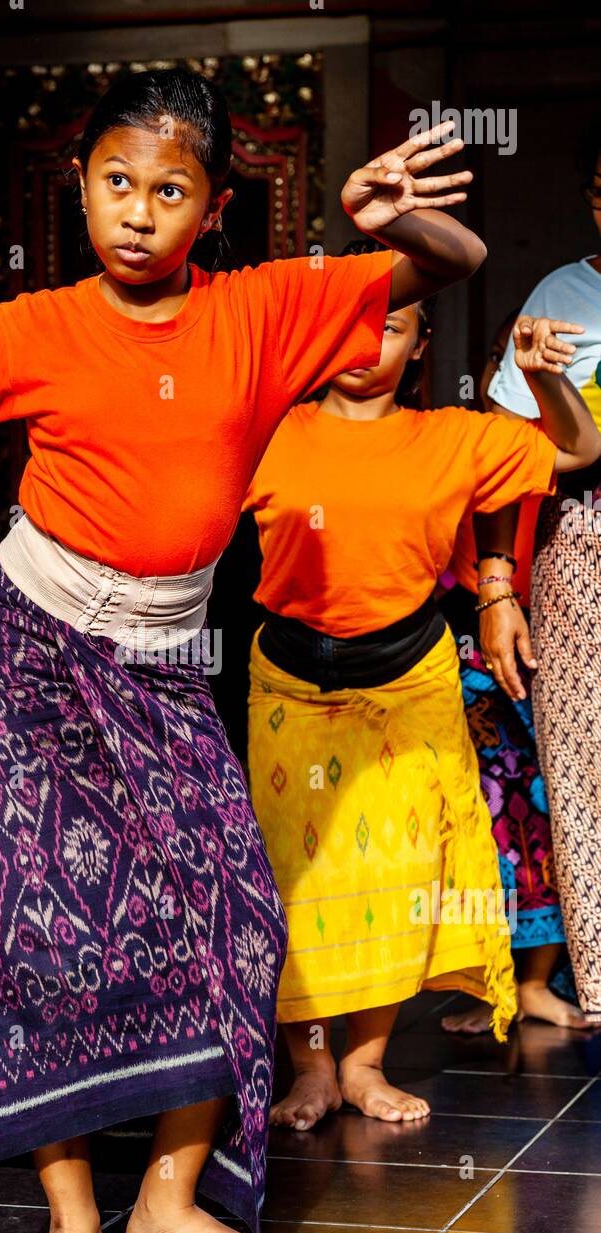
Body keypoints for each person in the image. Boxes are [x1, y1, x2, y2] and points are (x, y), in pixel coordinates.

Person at [0, 70, 485, 1233]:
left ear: (209, 209)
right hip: (29, 652)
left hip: (162, 664)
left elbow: (455, 255)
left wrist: (387, 218)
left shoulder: (264, 309)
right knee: (43, 931)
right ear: (81, 183)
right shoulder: (36, 326)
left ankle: (165, 1205)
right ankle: (70, 1224)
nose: (138, 212)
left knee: (235, 918)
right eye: (117, 182)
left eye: (169, 192)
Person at [243, 236, 601, 1131]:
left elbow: (579, 449)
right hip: (290, 683)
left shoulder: (452, 438)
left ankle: (364, 1065)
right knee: (304, 879)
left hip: (408, 680)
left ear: (419, 343)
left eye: (391, 328)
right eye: (350, 330)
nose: (367, 350)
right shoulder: (263, 433)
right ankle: (313, 1070)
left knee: (397, 874)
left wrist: (541, 377)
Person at [473, 116, 601, 1021]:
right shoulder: (559, 296)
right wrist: (497, 587)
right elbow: (501, 458)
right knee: (583, 772)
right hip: (580, 552)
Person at [438, 312, 594, 1032]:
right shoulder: (461, 440)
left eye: (533, 358)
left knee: (543, 811)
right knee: (483, 824)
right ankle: (494, 982)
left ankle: (534, 980)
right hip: (468, 640)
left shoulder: (555, 446)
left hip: (541, 639)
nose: (519, 373)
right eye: (504, 358)